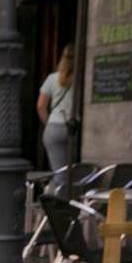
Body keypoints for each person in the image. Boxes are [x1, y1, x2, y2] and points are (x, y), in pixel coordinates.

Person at [38, 45, 74, 181]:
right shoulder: (80, 78)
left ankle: (54, 199)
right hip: (72, 127)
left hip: (54, 125)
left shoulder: (52, 78)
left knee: (59, 172)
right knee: (72, 172)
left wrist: (48, 123)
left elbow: (41, 106)